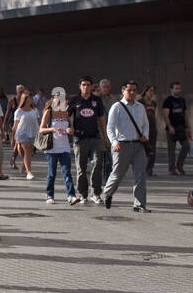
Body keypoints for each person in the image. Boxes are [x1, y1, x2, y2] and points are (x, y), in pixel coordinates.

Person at [101, 81, 150, 211]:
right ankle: (108, 193)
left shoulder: (140, 107)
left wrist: (145, 135)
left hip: (138, 145)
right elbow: (110, 128)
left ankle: (139, 204)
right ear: (123, 91)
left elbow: (145, 124)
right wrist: (114, 142)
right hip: (122, 146)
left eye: (134, 90)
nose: (132, 93)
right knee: (118, 173)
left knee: (140, 174)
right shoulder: (117, 107)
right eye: (129, 90)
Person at [67, 76, 108, 203]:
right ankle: (83, 194)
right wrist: (70, 126)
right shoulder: (75, 100)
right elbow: (65, 116)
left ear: (91, 86)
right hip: (80, 139)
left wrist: (105, 137)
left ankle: (95, 193)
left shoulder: (97, 100)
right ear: (80, 86)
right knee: (81, 168)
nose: (86, 87)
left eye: (88, 85)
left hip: (95, 138)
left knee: (97, 164)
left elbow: (101, 119)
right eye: (83, 84)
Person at [39, 87, 80, 205]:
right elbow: (41, 129)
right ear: (53, 99)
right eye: (57, 99)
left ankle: (71, 196)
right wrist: (53, 129)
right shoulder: (49, 112)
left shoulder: (66, 113)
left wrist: (70, 130)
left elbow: (71, 128)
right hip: (52, 147)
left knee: (67, 172)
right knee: (52, 173)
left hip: (64, 146)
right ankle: (49, 195)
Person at [12, 91, 40, 179]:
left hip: (33, 133)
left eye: (32, 98)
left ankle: (24, 165)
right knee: (27, 152)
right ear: (24, 99)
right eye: (29, 98)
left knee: (30, 153)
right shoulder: (19, 111)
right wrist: (13, 139)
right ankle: (29, 172)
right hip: (22, 133)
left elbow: (37, 122)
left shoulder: (35, 110)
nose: (31, 100)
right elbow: (15, 126)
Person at [163, 81, 189, 175]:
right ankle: (172, 169)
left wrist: (188, 127)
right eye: (176, 88)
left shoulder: (182, 100)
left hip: (181, 128)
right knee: (171, 150)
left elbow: (185, 113)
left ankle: (179, 165)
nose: (178, 90)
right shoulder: (168, 100)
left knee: (186, 146)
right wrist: (170, 127)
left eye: (179, 88)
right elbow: (166, 115)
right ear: (171, 89)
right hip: (172, 128)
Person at [142, 85, 159, 176]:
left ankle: (149, 170)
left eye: (153, 91)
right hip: (143, 129)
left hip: (152, 129)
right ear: (145, 91)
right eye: (150, 91)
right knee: (143, 150)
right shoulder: (140, 102)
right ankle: (142, 169)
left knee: (152, 150)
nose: (151, 93)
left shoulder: (154, 103)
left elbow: (154, 115)